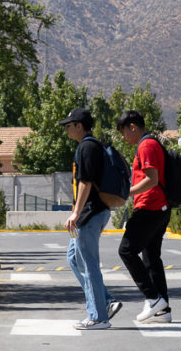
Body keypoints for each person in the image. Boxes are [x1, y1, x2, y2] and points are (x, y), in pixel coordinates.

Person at [61, 107, 121, 330]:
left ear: (80, 126)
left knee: (88, 264)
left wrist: (76, 213)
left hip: (90, 213)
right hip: (93, 212)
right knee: (74, 258)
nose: (66, 130)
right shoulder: (92, 145)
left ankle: (98, 317)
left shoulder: (86, 147)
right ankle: (105, 301)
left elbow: (85, 182)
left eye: (69, 126)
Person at [117, 109, 171, 324]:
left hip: (150, 206)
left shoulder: (146, 145)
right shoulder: (151, 143)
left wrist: (126, 193)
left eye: (123, 132)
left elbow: (152, 179)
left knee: (126, 250)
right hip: (160, 208)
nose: (124, 138)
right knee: (151, 258)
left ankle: (153, 298)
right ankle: (162, 311)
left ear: (132, 127)